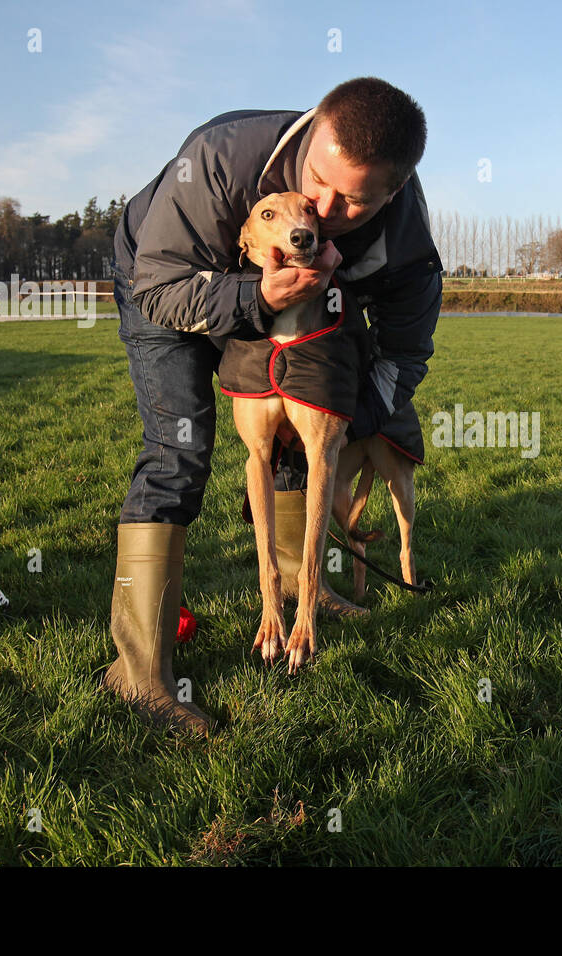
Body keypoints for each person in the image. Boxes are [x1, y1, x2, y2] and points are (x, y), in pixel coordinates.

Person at [106, 77, 442, 734]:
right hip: (167, 282)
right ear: (314, 128)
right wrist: (259, 301)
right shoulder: (219, 159)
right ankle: (139, 674)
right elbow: (159, 286)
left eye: (351, 201)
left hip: (292, 303)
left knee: (300, 434)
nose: (318, 210)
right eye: (318, 180)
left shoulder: (406, 242)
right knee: (180, 449)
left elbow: (400, 358)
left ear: (392, 193)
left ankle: (299, 585)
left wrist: (345, 426)